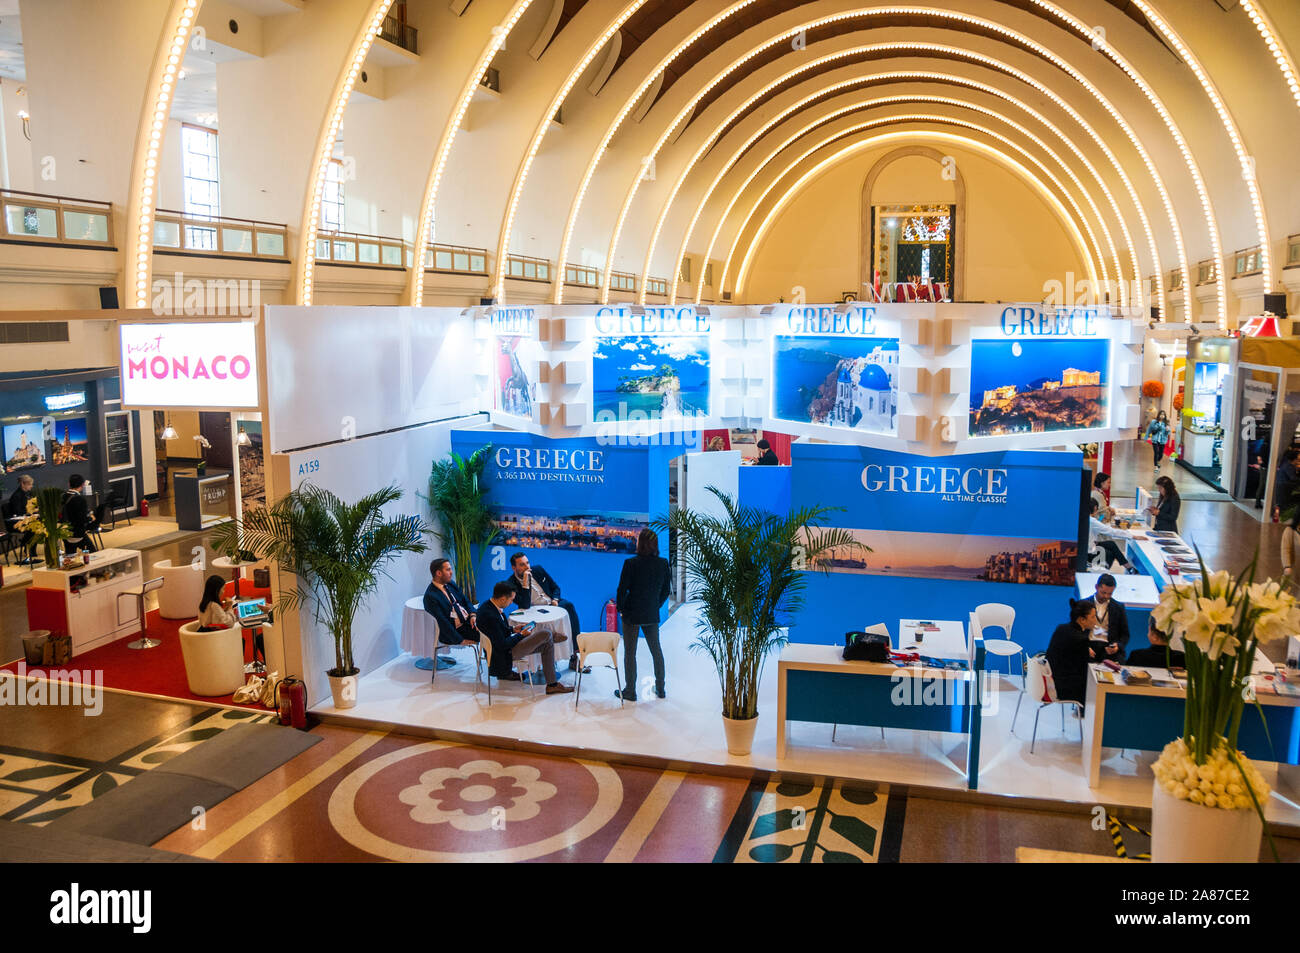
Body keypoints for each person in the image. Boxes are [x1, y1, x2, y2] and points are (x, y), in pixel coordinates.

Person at [477, 580, 572, 694]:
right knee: (546, 634)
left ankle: (552, 684)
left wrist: (513, 629)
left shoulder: (488, 606)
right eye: (511, 600)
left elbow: (496, 633)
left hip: (503, 649)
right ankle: (552, 636)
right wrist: (520, 635)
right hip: (504, 654)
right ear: (503, 599)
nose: (512, 603)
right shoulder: (490, 615)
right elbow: (502, 644)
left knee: (547, 643)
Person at [614, 528, 672, 701]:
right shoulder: (662, 563)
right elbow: (666, 591)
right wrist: (656, 605)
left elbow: (621, 590)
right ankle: (660, 689)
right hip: (651, 613)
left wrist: (622, 610)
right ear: (655, 544)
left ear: (639, 543)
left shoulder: (631, 563)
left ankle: (630, 691)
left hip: (631, 614)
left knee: (630, 653)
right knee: (656, 651)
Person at [505, 552, 584, 672]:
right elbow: (525, 604)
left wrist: (555, 599)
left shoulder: (538, 570)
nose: (527, 567)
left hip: (551, 603)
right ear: (514, 568)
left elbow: (555, 587)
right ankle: (544, 654)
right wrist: (526, 583)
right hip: (532, 610)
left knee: (569, 606)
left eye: (527, 563)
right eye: (522, 565)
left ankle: (574, 654)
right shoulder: (510, 584)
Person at [423, 557, 475, 675]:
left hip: (466, 622)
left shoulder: (450, 584)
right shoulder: (431, 596)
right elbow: (443, 623)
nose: (451, 572)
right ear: (438, 573)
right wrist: (460, 640)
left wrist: (472, 614)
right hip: (456, 631)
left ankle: (498, 666)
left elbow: (465, 600)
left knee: (490, 625)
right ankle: (500, 669)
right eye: (448, 570)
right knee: (490, 633)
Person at [1045, 599, 1099, 705]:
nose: (1096, 620)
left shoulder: (1061, 628)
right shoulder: (1080, 639)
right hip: (1064, 688)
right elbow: (1086, 669)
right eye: (1093, 617)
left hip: (1051, 680)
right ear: (1082, 620)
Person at [1082, 572, 1129, 662]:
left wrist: (1117, 645)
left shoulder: (1118, 607)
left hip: (1108, 646)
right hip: (1089, 643)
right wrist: (1084, 647)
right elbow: (1075, 630)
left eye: (1110, 594)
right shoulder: (1084, 604)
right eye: (1103, 593)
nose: (1106, 596)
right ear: (1096, 587)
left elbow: (1125, 634)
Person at [1088, 498, 1134, 572]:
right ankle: (1104, 571)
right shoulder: (1091, 520)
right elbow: (1111, 531)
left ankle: (1128, 567)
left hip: (1091, 545)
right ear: (1095, 508)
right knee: (1109, 554)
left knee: (1111, 544)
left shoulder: (1088, 518)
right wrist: (1132, 536)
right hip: (1089, 550)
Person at [60, 474, 97, 553]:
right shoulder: (80, 499)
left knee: (70, 556)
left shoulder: (62, 496)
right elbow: (82, 518)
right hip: (78, 532)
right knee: (92, 553)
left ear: (69, 484)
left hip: (65, 532)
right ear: (83, 485)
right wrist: (91, 518)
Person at [6, 474, 36, 564]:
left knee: (37, 525)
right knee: (33, 528)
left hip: (22, 519)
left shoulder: (26, 494)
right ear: (23, 484)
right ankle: (26, 546)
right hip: (14, 523)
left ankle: (29, 548)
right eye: (30, 484)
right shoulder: (17, 496)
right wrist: (30, 511)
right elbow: (18, 511)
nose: (31, 486)